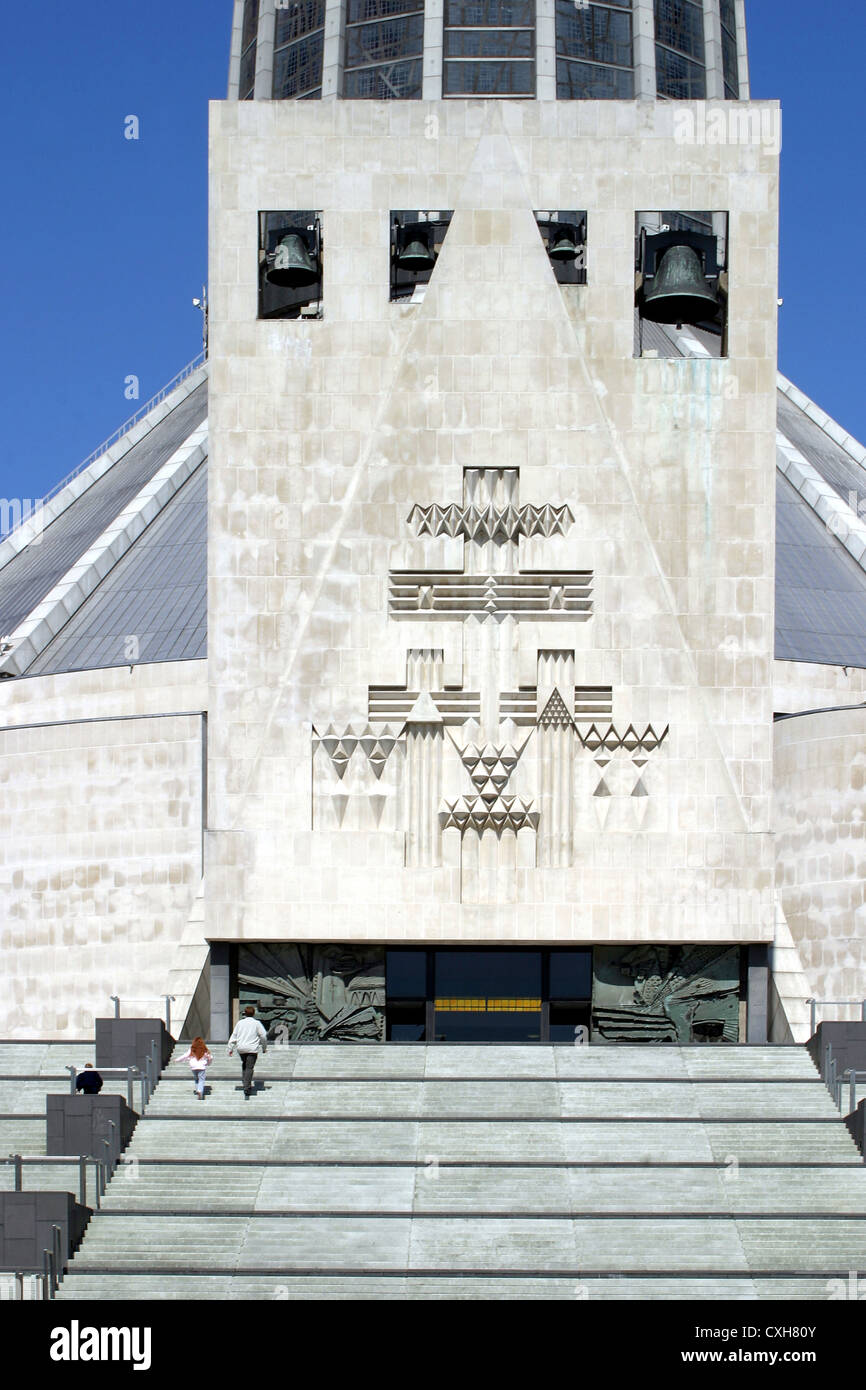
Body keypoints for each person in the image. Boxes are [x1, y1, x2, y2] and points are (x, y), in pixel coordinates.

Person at [227, 1005, 268, 1098]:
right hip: (252, 1049)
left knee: (244, 1064)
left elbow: (234, 1036)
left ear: (245, 1013)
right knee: (249, 1067)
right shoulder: (257, 1023)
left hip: (241, 1048)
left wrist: (230, 1048)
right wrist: (264, 1048)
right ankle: (247, 1087)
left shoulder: (240, 1023)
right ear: (253, 1013)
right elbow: (263, 1036)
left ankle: (245, 1080)